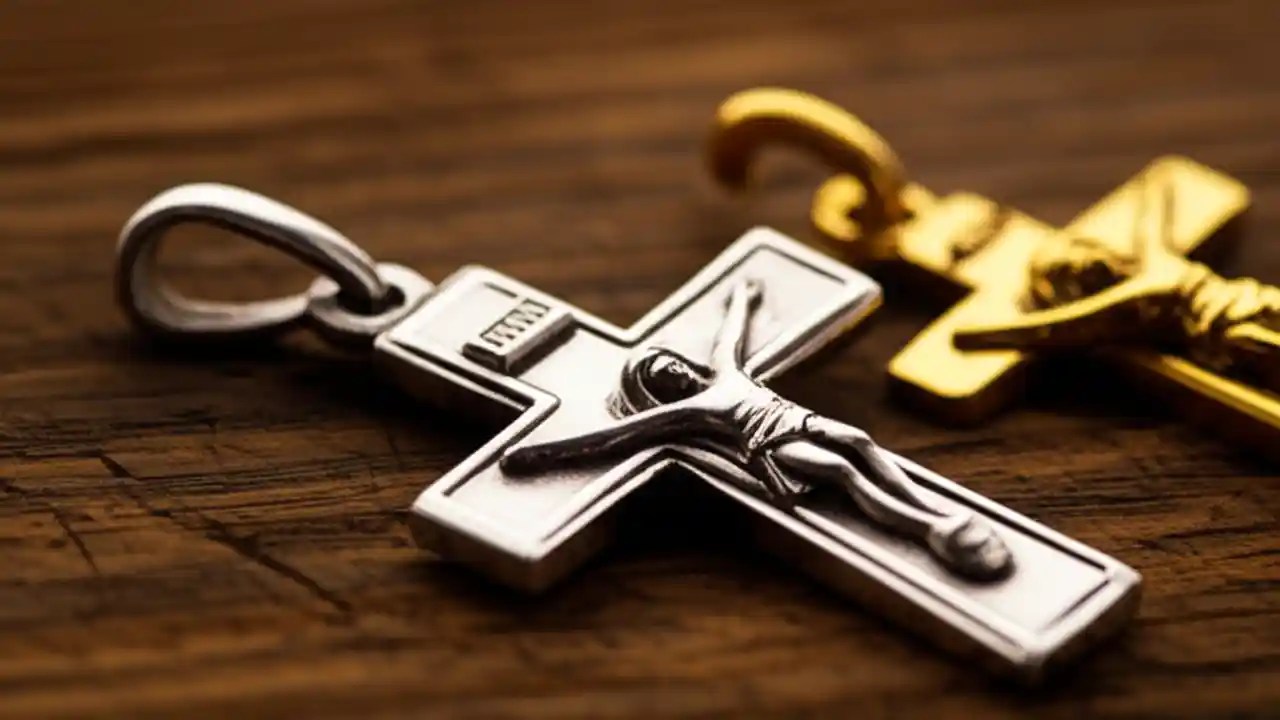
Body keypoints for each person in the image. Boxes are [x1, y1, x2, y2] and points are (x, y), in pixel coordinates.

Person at [502, 278, 1013, 580]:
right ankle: (928, 533)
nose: (676, 370)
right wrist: (539, 455)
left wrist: (741, 301)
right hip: (775, 445)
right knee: (841, 474)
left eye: (673, 363)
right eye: (663, 375)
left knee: (859, 442)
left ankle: (936, 511)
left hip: (797, 418)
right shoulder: (688, 411)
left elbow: (732, 337)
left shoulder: (723, 374)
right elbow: (609, 440)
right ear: (661, 391)